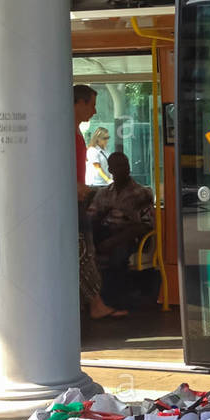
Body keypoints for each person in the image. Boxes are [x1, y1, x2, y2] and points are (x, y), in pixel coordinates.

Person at [73, 83, 125, 320]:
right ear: (79, 103)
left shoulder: (75, 133)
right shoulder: (66, 133)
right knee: (84, 252)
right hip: (71, 202)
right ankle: (94, 304)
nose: (94, 111)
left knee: (84, 252)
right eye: (91, 105)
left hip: (76, 199)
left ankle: (92, 303)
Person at [89, 151, 155, 267]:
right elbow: (90, 217)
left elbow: (146, 225)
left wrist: (113, 241)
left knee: (118, 252)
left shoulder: (141, 194)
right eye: (119, 166)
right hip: (105, 233)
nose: (124, 169)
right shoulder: (103, 193)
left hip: (129, 238)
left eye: (126, 165)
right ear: (110, 170)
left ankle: (114, 283)